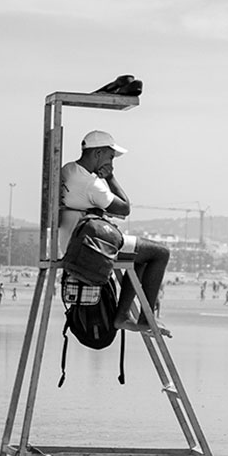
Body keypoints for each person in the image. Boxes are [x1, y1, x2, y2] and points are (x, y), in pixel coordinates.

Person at [60, 130, 171, 336]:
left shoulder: (69, 169)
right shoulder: (91, 184)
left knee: (139, 255)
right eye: (110, 156)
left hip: (72, 238)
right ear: (98, 153)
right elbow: (125, 208)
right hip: (87, 246)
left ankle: (123, 317)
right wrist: (110, 177)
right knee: (160, 253)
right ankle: (144, 320)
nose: (112, 161)